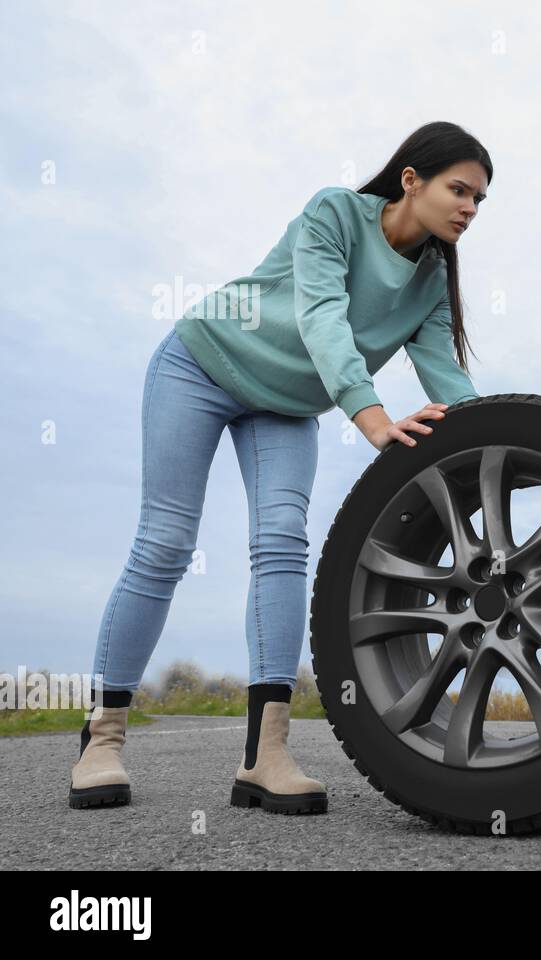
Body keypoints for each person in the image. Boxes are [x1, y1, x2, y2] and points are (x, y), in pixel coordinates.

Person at [69, 121, 493, 815]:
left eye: (479, 200)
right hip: (201, 365)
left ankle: (264, 756)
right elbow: (323, 315)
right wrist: (372, 416)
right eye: (460, 190)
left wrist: (504, 445)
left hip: (286, 405)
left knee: (282, 546)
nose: (470, 209)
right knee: (167, 542)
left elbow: (449, 377)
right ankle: (103, 737)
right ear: (411, 179)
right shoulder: (334, 213)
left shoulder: (429, 284)